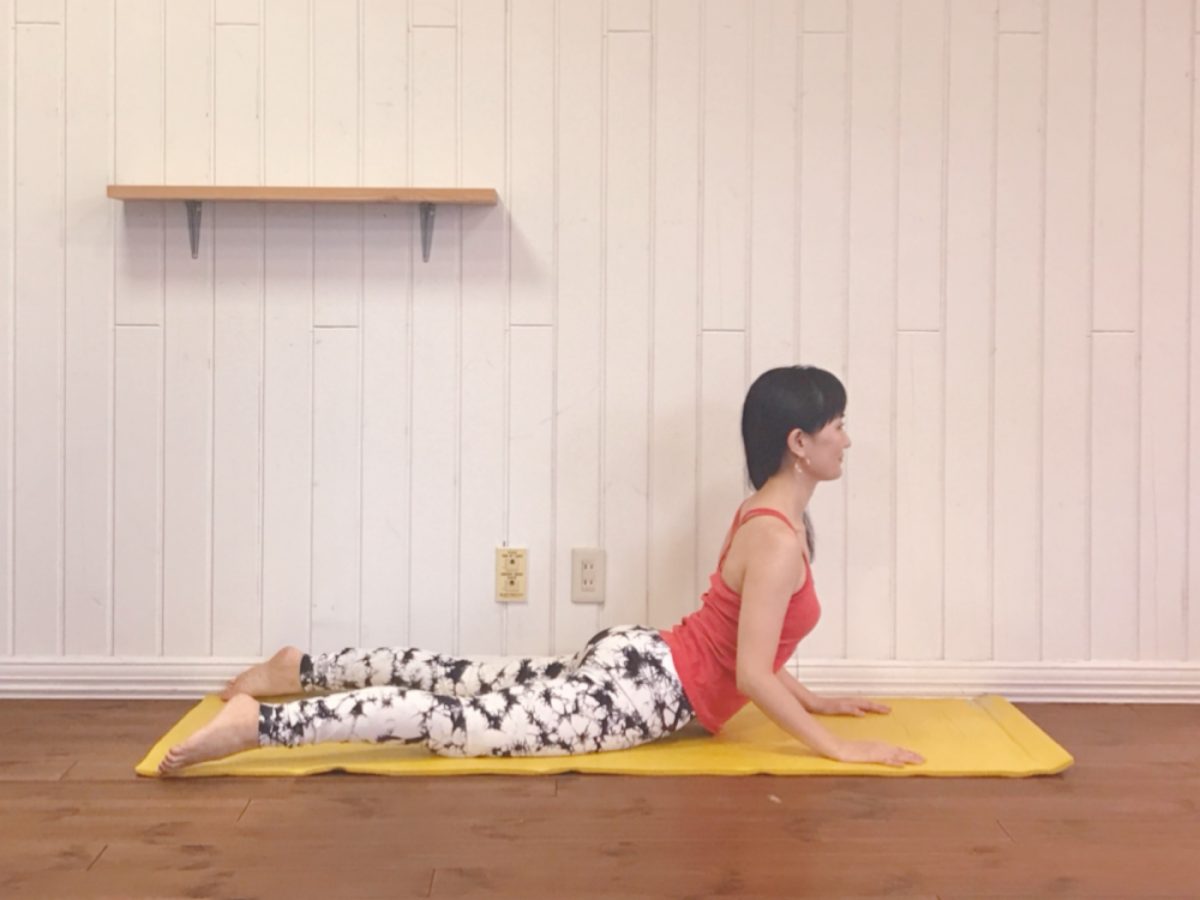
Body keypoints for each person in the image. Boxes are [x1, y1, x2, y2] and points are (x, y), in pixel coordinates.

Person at [160, 365, 925, 774]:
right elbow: (750, 671)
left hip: (639, 657)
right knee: (452, 719)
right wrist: (835, 749)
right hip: (646, 692)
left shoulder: (769, 515)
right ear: (800, 442)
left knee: (462, 677)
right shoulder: (780, 538)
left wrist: (816, 700)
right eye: (838, 426)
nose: (847, 441)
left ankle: (301, 667)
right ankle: (262, 724)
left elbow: (747, 640)